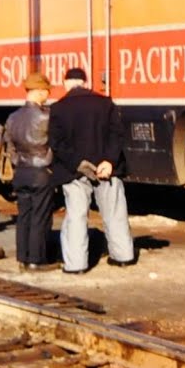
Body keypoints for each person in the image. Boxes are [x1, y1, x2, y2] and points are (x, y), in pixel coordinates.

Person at [48, 67, 135, 273]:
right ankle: (123, 256)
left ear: (66, 83)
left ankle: (76, 265)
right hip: (107, 169)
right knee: (115, 212)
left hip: (75, 171)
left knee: (77, 216)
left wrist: (78, 163)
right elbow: (118, 135)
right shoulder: (106, 103)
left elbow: (57, 144)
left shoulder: (59, 108)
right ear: (86, 83)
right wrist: (109, 161)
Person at [2, 72, 59, 272]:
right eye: (47, 91)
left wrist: (18, 163)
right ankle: (36, 260)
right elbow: (56, 144)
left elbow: (9, 148)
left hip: (21, 172)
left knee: (23, 215)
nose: (48, 95)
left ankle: (22, 258)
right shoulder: (46, 116)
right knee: (40, 217)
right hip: (41, 171)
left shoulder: (13, 118)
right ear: (40, 91)